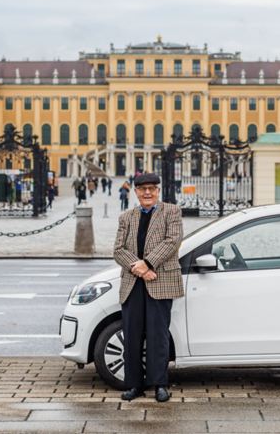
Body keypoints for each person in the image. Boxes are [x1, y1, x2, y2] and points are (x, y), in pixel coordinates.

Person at [113, 172, 183, 403]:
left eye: (152, 188)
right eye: (143, 189)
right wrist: (140, 269)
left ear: (158, 190)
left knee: (158, 336)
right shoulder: (126, 217)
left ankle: (160, 384)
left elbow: (172, 241)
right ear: (136, 192)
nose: (147, 193)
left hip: (160, 280)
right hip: (133, 283)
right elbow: (118, 250)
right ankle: (134, 384)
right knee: (132, 336)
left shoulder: (171, 212)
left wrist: (148, 263)